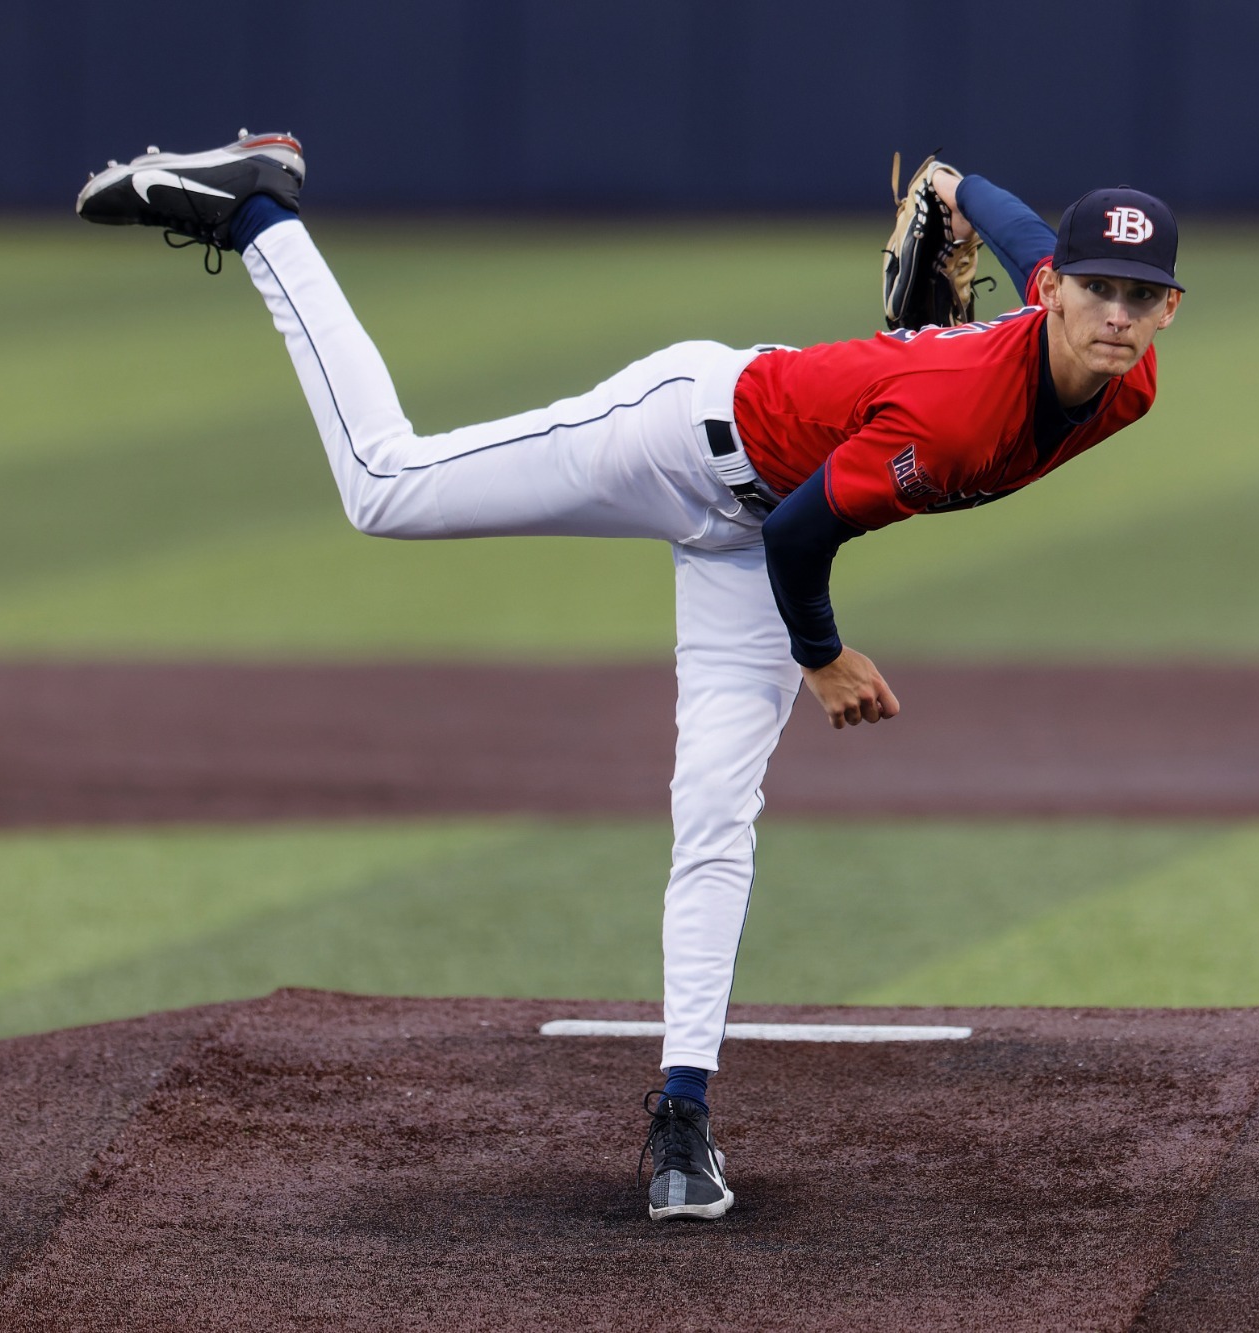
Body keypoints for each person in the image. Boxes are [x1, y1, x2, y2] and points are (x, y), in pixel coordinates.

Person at [76, 133, 1183, 1222]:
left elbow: (1029, 236)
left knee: (713, 808)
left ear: (1167, 310)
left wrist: (956, 183)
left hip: (752, 532)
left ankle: (680, 1116)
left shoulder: (1117, 380)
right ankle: (263, 211)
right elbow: (804, 540)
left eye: (1140, 295)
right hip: (673, 440)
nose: (1115, 314)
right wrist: (822, 658)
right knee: (384, 487)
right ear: (1053, 299)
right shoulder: (958, 413)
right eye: (1095, 290)